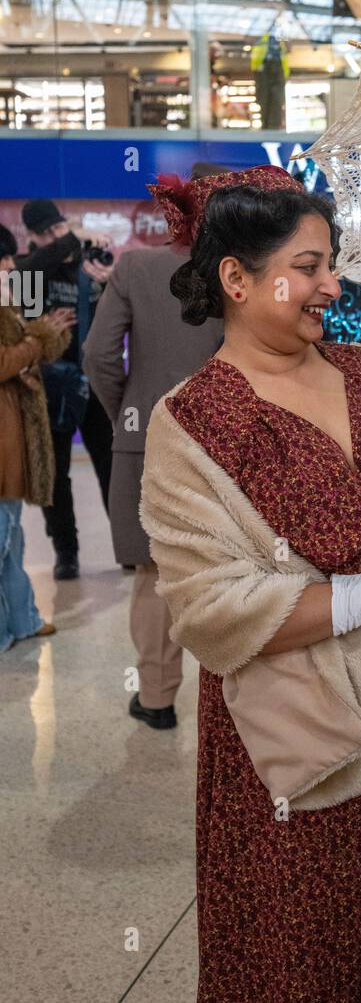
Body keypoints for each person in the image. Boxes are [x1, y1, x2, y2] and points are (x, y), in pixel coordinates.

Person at [138, 166, 361, 1003]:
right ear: (237, 279)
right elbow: (208, 606)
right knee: (292, 973)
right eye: (308, 265)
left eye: (334, 263)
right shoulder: (194, 422)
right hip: (300, 745)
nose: (332, 285)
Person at [82, 239, 224, 730]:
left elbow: (98, 354)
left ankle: (157, 699)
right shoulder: (246, 266)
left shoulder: (136, 267)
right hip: (225, 442)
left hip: (146, 438)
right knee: (228, 570)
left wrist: (128, 412)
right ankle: (229, 701)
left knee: (154, 574)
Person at [19, 199, 115, 580]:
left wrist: (108, 284)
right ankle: (66, 552)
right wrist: (71, 236)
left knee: (111, 467)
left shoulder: (86, 264)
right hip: (48, 388)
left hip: (92, 384)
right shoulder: (28, 271)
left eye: (60, 229)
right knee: (56, 474)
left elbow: (114, 316)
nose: (59, 238)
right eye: (50, 234)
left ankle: (126, 547)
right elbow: (22, 320)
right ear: (34, 237)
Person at [0, 227, 75, 651]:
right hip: (4, 440)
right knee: (3, 536)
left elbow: (28, 349)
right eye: (5, 260)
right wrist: (34, 341)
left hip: (14, 433)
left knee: (12, 540)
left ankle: (24, 620)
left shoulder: (9, 303)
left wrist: (47, 334)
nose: (11, 266)